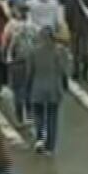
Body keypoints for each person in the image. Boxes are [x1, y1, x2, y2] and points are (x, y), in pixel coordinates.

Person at [26, 25, 71, 154]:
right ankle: (50, 145)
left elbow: (30, 72)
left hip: (37, 87)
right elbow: (63, 71)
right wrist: (64, 85)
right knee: (53, 117)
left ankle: (40, 138)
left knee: (38, 115)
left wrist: (28, 87)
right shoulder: (59, 52)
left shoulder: (34, 51)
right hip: (54, 88)